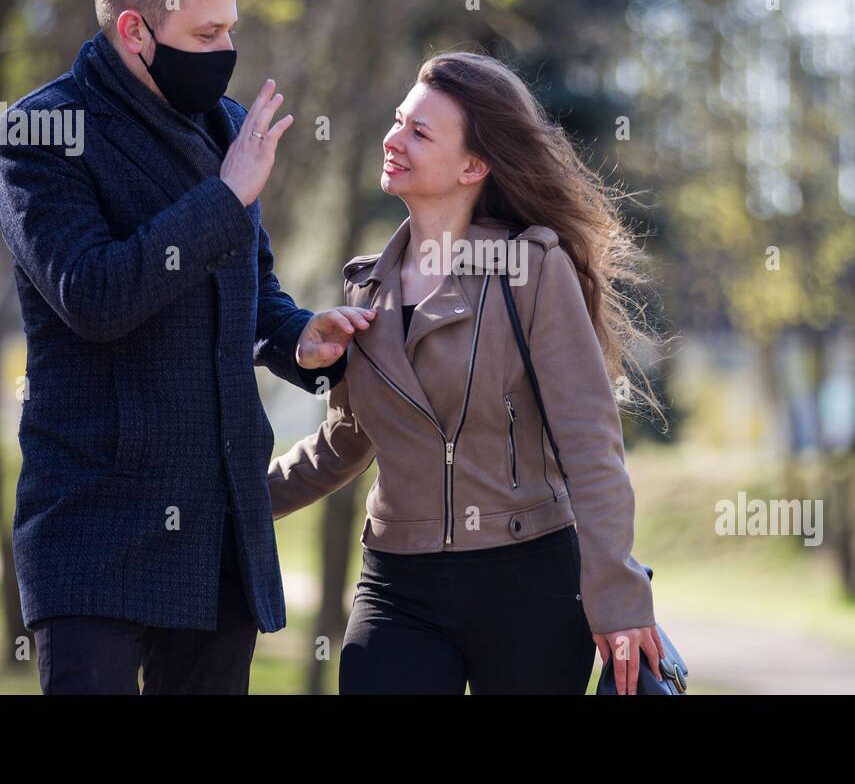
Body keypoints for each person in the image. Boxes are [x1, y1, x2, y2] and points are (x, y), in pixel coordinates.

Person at [0, 0, 375, 694]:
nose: (226, 54)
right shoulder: (39, 131)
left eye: (230, 31)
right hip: (91, 528)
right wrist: (226, 196)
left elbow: (249, 290)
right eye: (206, 36)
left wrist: (302, 338)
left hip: (217, 532)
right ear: (135, 30)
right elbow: (91, 295)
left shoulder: (227, 125)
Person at [268, 50, 667, 694]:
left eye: (419, 132)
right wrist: (238, 507)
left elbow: (590, 442)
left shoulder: (533, 269)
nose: (393, 139)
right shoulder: (365, 290)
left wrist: (618, 597)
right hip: (398, 587)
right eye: (399, 120)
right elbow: (344, 442)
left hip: (530, 586)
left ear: (473, 166)